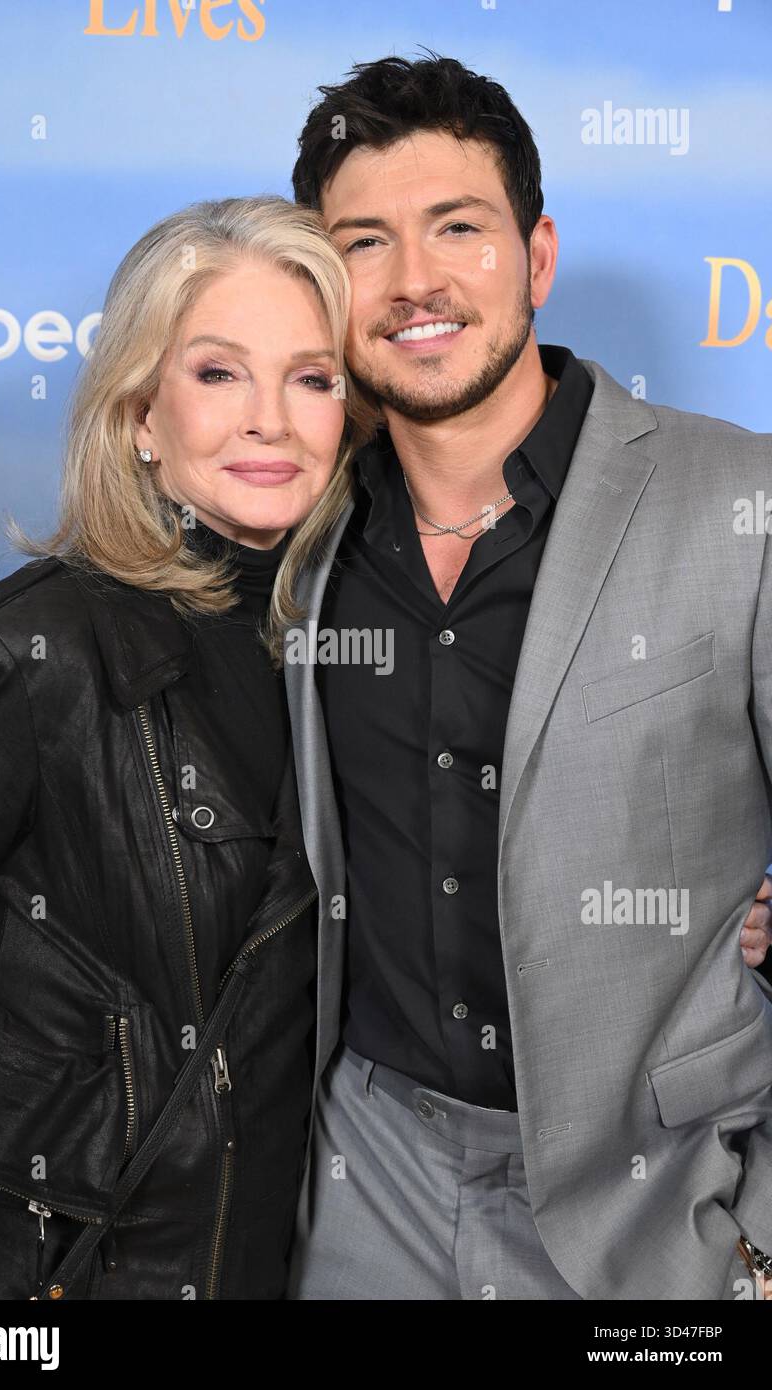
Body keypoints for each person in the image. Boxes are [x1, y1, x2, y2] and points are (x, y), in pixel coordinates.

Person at [281, 53, 772, 1301]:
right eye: (365, 243)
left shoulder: (738, 503)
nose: (416, 282)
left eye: (460, 228)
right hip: (361, 1184)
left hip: (660, 1206)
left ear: (536, 256)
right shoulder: (291, 536)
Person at [0, 194, 373, 1299]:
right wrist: (65, 1118)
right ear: (140, 416)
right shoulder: (29, 650)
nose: (272, 418)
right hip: (56, 1278)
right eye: (218, 373)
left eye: (312, 378)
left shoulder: (339, 659)